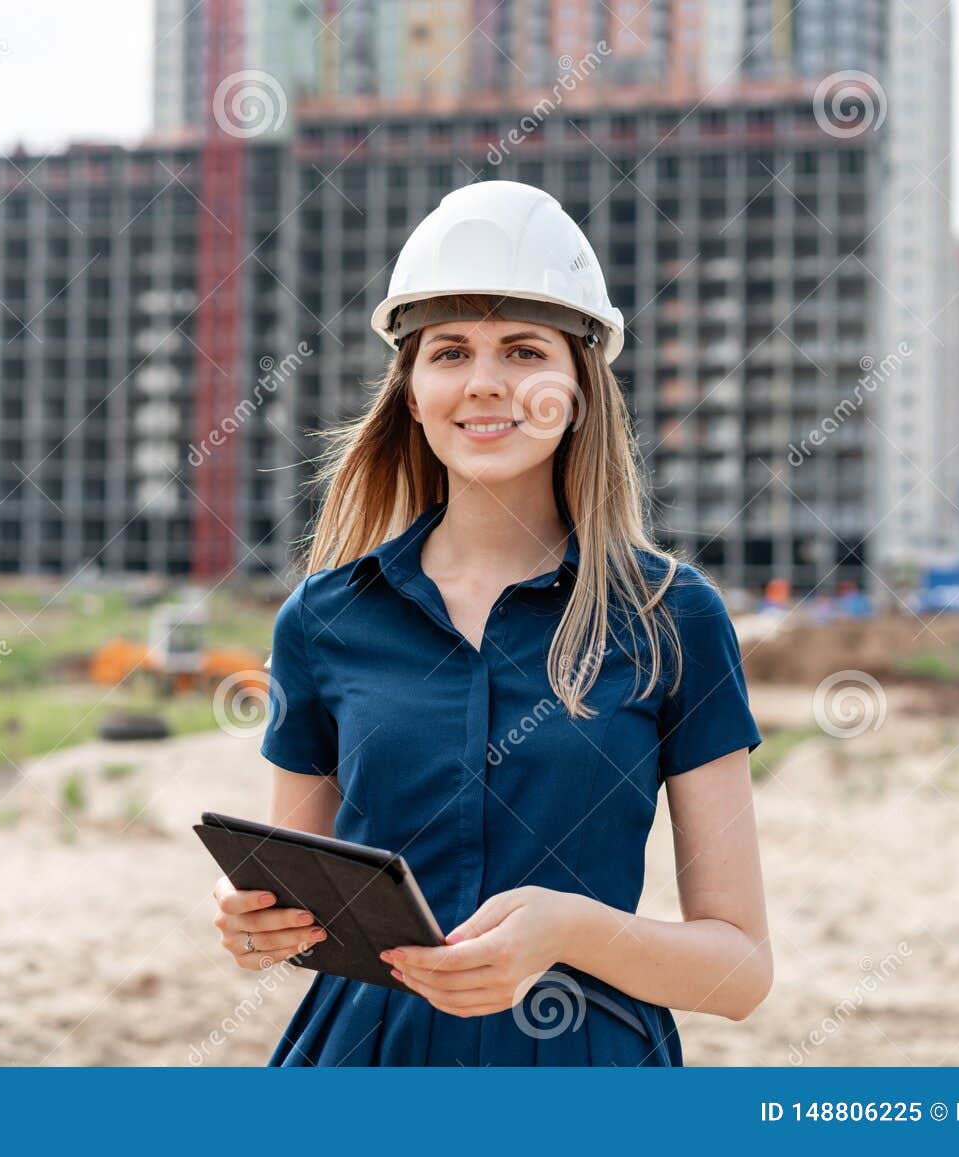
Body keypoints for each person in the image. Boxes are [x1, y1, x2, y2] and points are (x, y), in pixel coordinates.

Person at [210, 180, 770, 1065]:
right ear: (411, 388)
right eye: (450, 352)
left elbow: (738, 971)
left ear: (577, 384)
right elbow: (313, 917)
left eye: (521, 350)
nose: (484, 384)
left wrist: (568, 929)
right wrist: (261, 931)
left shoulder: (674, 620)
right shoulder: (322, 622)